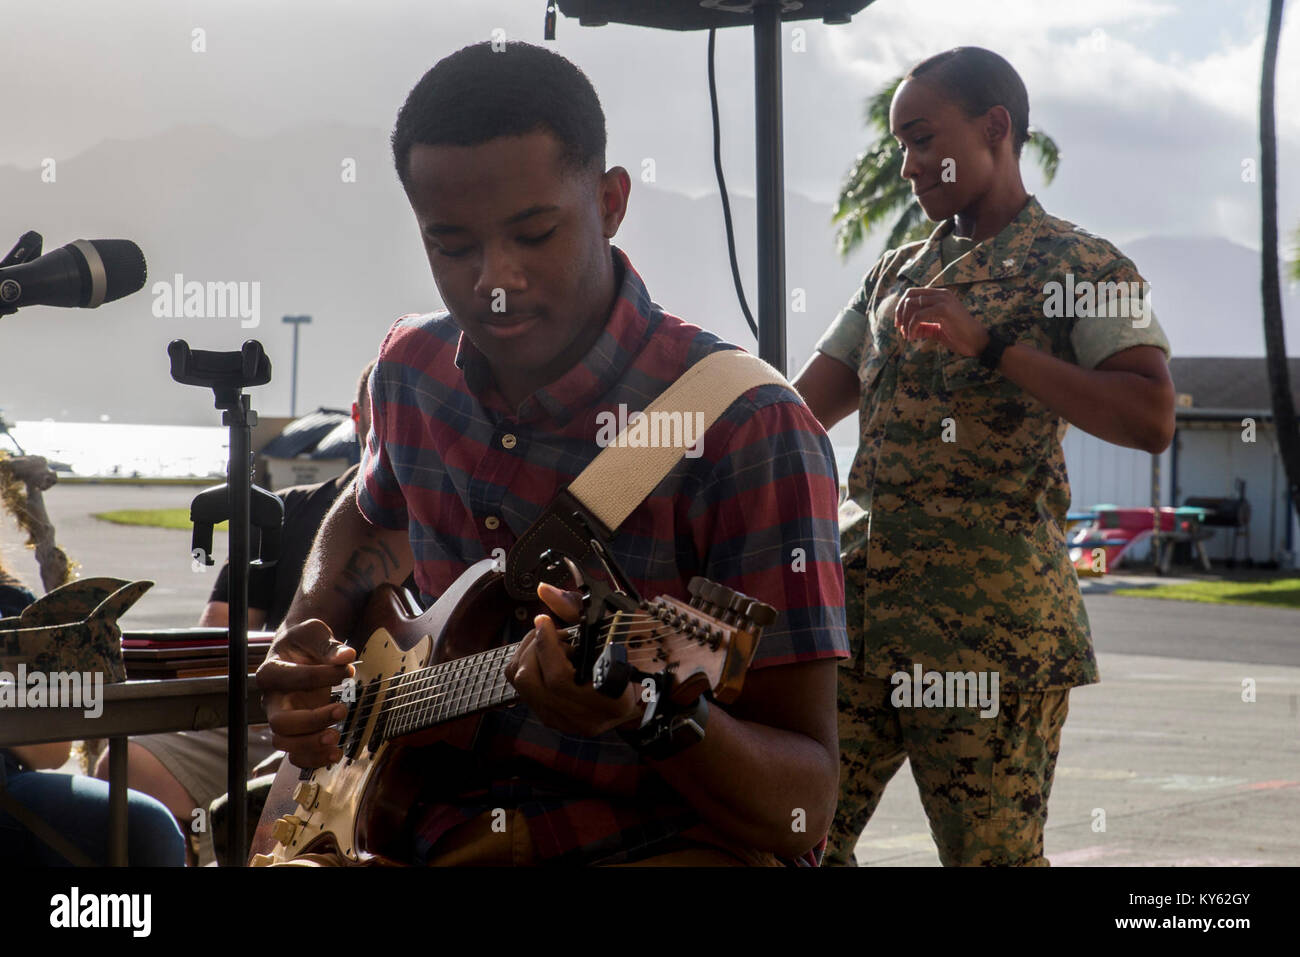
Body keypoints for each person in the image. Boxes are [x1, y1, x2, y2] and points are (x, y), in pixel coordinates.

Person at [255, 40, 848, 867]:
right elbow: (364, 508)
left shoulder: (750, 429)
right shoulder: (410, 373)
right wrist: (306, 627)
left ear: (610, 202)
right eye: (452, 246)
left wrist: (645, 712)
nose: (496, 279)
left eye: (534, 233)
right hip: (408, 819)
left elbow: (801, 803)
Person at [793, 47, 1175, 866]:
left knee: (990, 859)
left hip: (989, 644)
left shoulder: (1084, 268)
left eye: (924, 138)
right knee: (792, 842)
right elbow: (796, 413)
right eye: (901, 145)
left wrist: (990, 345)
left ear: (995, 128)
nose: (908, 165)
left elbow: (1151, 416)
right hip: (858, 625)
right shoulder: (894, 275)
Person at [94, 360, 407, 865]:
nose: (397, 428)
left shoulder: (446, 522)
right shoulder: (282, 511)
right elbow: (217, 635)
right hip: (264, 707)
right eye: (384, 411)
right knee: (126, 767)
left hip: (387, 718)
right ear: (358, 417)